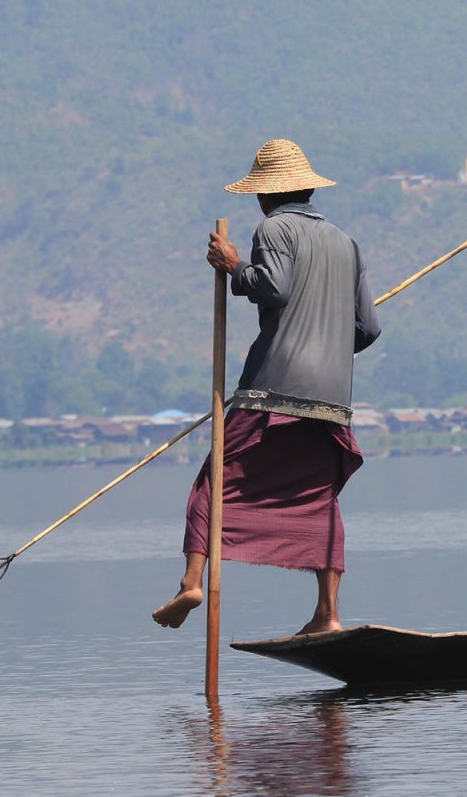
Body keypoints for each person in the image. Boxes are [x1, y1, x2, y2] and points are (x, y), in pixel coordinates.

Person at [152, 138, 381, 635]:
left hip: (273, 389)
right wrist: (326, 341)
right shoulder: (347, 244)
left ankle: (191, 582)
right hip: (332, 398)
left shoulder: (273, 228)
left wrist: (233, 265)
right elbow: (368, 329)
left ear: (264, 194)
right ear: (308, 189)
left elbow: (273, 287)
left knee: (214, 480)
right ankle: (328, 614)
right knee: (319, 497)